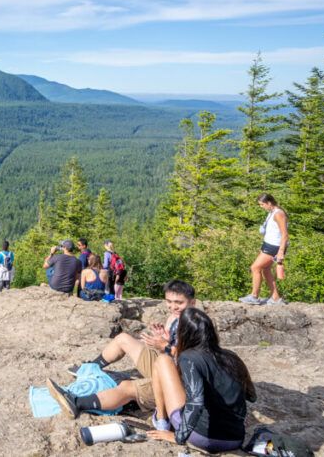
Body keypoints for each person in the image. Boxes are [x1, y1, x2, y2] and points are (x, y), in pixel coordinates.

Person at [53, 280, 198, 417]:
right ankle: (90, 368)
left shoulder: (197, 325)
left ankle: (77, 403)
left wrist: (164, 346)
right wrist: (162, 339)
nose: (173, 307)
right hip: (164, 365)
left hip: (177, 381)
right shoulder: (174, 317)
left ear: (192, 302)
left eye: (179, 303)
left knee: (127, 387)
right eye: (169, 302)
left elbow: (193, 362)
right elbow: (168, 348)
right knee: (123, 339)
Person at [142, 308, 256, 453]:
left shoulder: (188, 357)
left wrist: (178, 437)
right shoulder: (231, 357)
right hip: (234, 439)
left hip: (204, 438)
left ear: (183, 333)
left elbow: (196, 402)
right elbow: (252, 396)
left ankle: (161, 422)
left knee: (162, 360)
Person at [240, 193, 288, 305]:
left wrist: (281, 252)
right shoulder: (272, 212)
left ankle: (254, 296)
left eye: (262, 204)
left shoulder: (279, 214)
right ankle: (276, 298)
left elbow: (285, 234)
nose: (261, 207)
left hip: (274, 246)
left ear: (269, 203)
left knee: (255, 268)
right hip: (269, 244)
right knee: (265, 270)